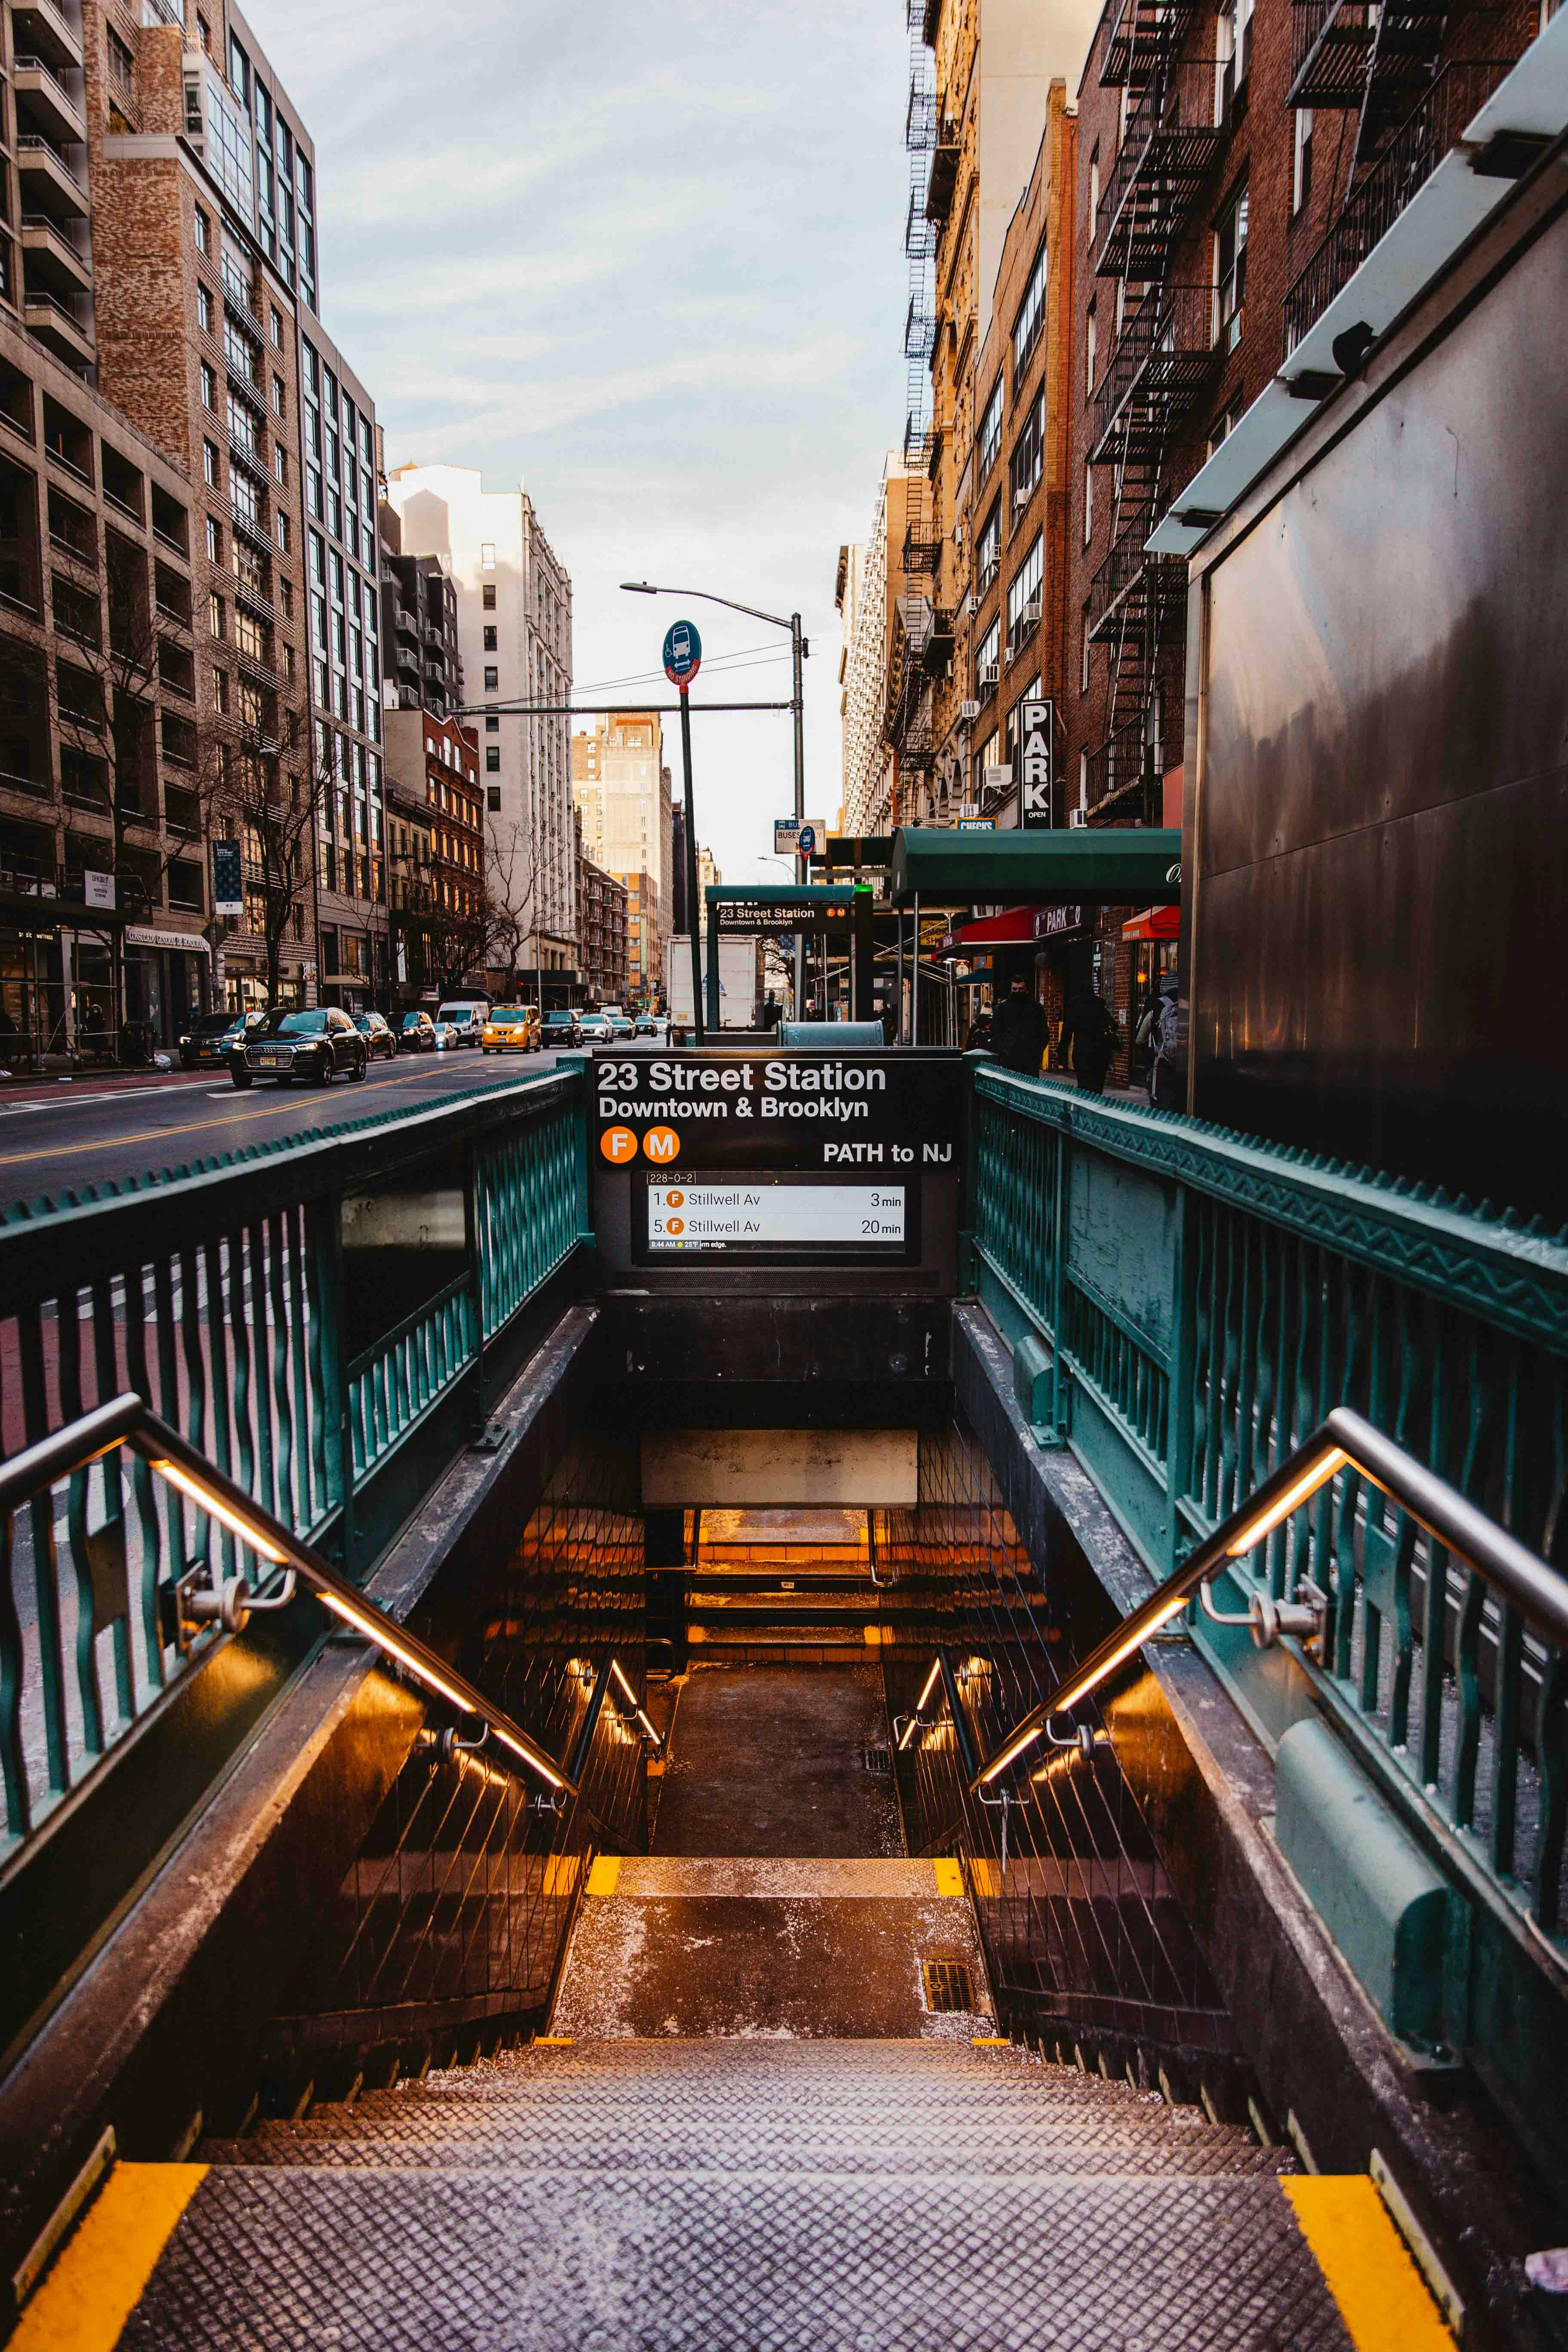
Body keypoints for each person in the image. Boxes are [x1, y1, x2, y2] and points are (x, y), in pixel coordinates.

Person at [1060, 984, 1118, 1095]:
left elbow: (1067, 1032)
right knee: (1098, 1087)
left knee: (1084, 1085)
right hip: (1100, 1052)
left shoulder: (1074, 1007)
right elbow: (1114, 1025)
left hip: (1082, 1051)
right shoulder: (1100, 1006)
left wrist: (1062, 1051)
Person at [989, 974, 1049, 1077]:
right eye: (1015, 989)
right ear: (1011, 989)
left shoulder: (1036, 1008)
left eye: (1021, 989)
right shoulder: (1002, 1009)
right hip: (1009, 1060)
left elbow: (1044, 1034)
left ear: (1026, 989)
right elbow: (995, 1034)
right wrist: (1003, 1052)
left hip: (1029, 1060)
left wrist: (1035, 1053)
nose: (1018, 992)